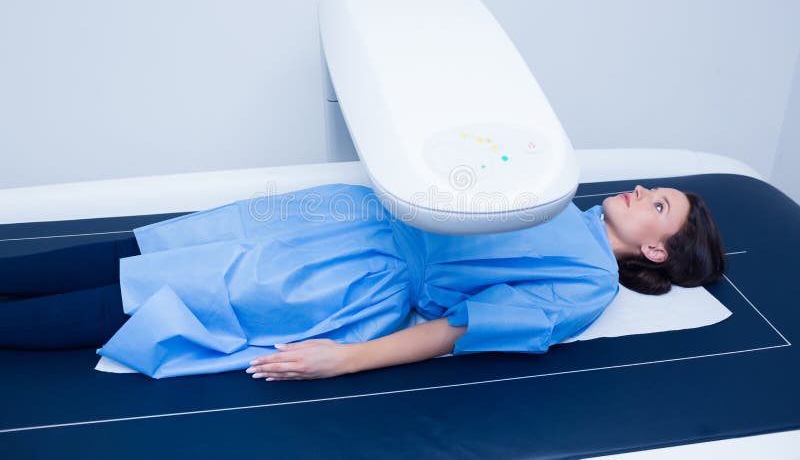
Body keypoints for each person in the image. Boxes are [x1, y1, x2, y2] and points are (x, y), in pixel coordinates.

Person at [0, 183, 725, 380]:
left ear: (657, 251)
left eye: (657, 204)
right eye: (650, 188)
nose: (638, 191)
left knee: (165, 289)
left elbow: (458, 328)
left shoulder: (587, 284)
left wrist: (340, 358)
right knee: (162, 242)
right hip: (342, 213)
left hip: (352, 275)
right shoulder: (551, 196)